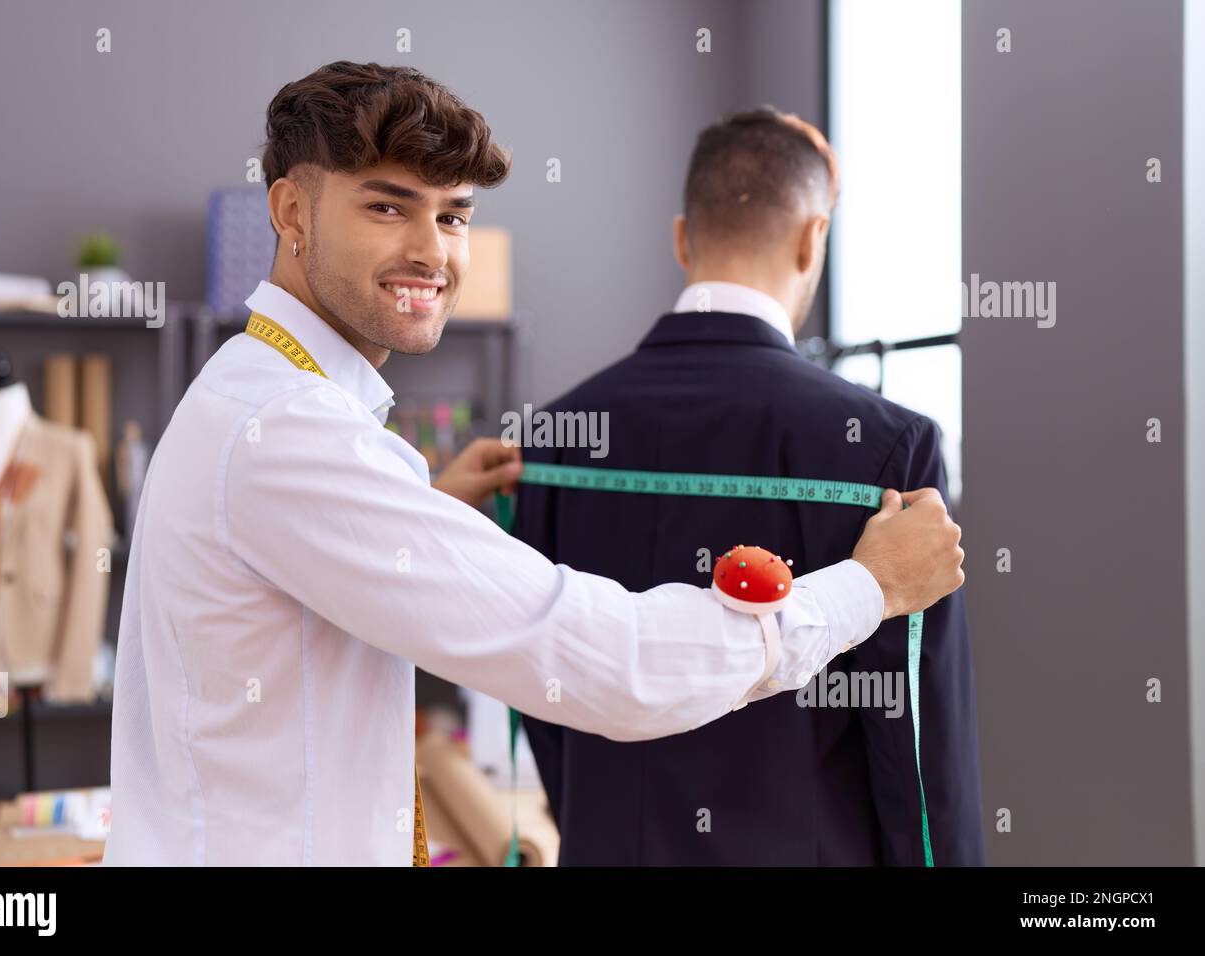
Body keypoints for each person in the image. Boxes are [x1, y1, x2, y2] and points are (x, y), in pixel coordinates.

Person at [104, 63, 965, 866]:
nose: (430, 253)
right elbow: (606, 662)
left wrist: (423, 510)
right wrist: (869, 587)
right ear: (290, 213)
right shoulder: (289, 429)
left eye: (453, 215)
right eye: (386, 207)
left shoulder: (264, 401)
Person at [514, 106, 984, 865]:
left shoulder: (554, 438)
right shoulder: (891, 448)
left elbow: (543, 697)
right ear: (811, 239)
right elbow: (919, 746)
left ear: (680, 238)